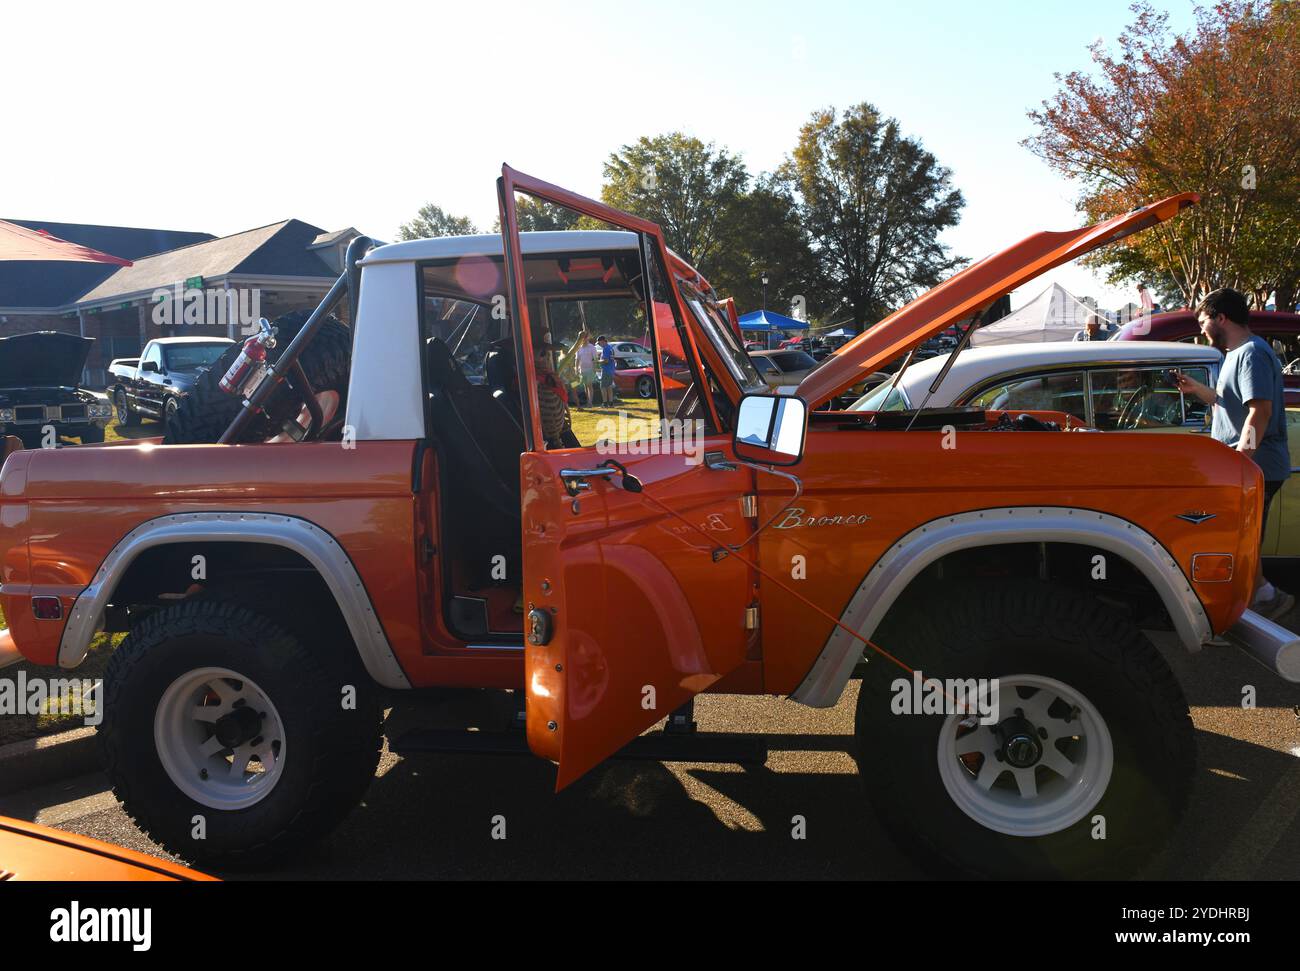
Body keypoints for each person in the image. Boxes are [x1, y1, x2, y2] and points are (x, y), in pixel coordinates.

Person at [1175, 287, 1293, 619]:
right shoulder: (1238, 353)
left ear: (1220, 318)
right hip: (1253, 465)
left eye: (1203, 321)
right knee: (1240, 539)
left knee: (1238, 540)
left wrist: (1239, 460)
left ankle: (1260, 601)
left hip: (1256, 465)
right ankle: (1262, 597)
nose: (1201, 329)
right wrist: (1198, 390)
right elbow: (1228, 402)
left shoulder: (1251, 354)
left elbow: (1260, 412)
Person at [574, 332, 599, 407]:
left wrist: (595, 368)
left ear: (587, 338)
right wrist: (576, 369)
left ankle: (590, 402)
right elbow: (577, 359)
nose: (583, 339)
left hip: (590, 369)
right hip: (582, 370)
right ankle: (588, 401)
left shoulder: (592, 347)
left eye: (585, 337)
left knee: (589, 385)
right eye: (582, 338)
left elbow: (595, 359)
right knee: (585, 385)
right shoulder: (579, 348)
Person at [596, 335, 617, 405]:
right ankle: (611, 402)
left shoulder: (605, 349)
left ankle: (604, 402)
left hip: (606, 370)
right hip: (611, 370)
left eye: (599, 343)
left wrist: (597, 361)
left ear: (603, 341)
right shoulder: (610, 347)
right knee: (609, 386)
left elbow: (606, 361)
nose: (599, 345)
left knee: (602, 387)